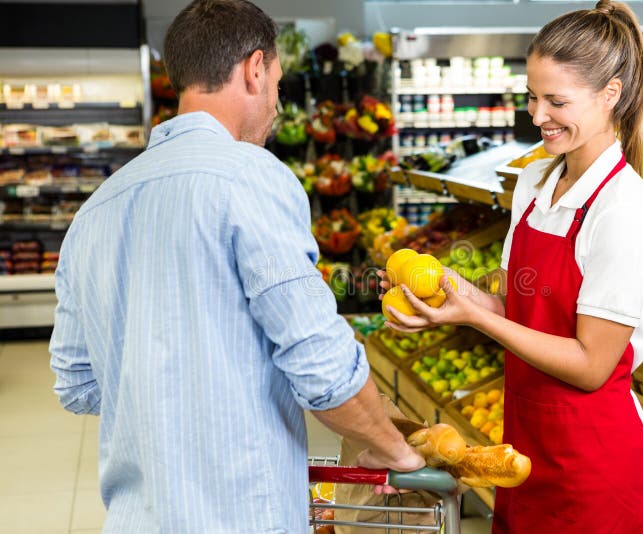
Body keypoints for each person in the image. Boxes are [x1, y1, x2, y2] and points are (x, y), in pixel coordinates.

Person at [49, 1, 423, 532]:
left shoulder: (97, 208)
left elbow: (77, 384)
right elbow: (321, 362)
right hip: (244, 513)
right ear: (254, 69)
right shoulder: (249, 175)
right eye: (277, 82)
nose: (276, 104)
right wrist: (394, 450)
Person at [383, 1, 643, 531]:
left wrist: (478, 318)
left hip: (593, 466)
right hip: (522, 450)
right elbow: (524, 309)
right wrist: (456, 296)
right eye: (532, 98)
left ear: (612, 94)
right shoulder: (534, 186)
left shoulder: (623, 208)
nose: (537, 117)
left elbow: (590, 364)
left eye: (556, 101)